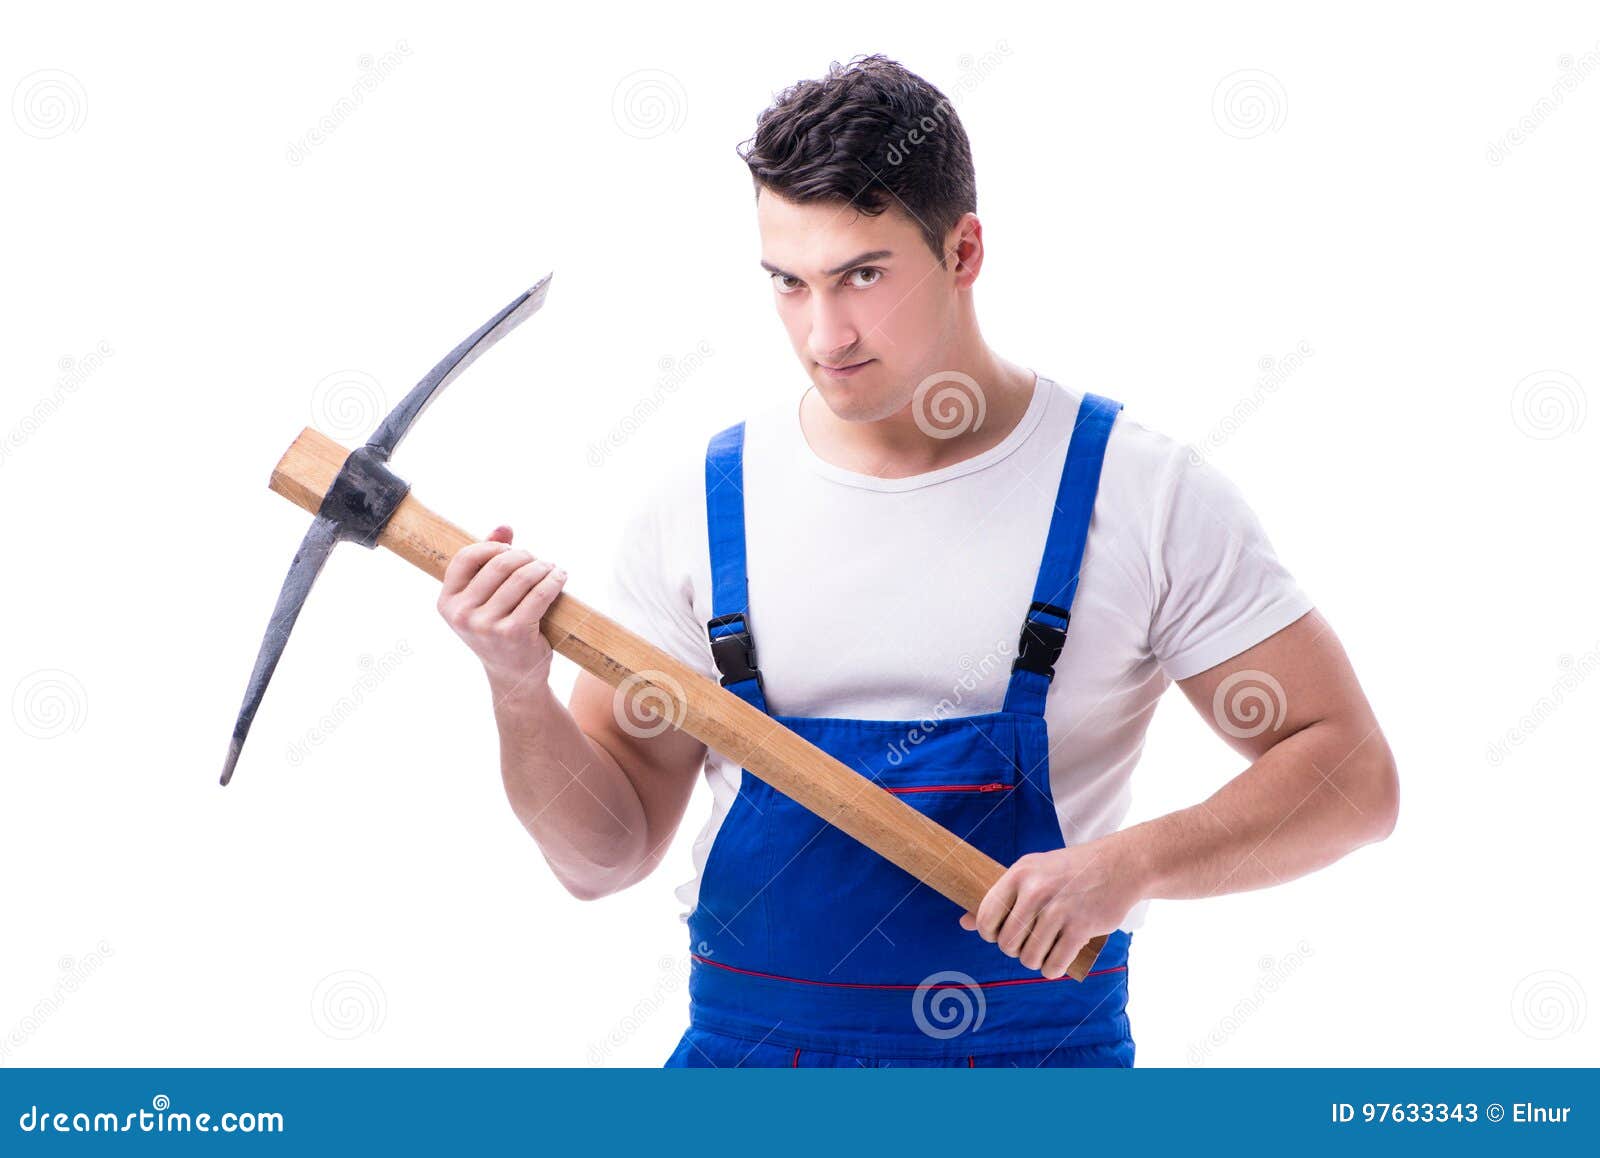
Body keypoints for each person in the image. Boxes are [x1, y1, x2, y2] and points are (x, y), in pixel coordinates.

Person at [436, 55, 1399, 1068]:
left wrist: (1128, 867)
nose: (825, 333)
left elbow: (1350, 778)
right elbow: (605, 856)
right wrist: (517, 689)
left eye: (862, 274)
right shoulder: (697, 511)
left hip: (1032, 1074)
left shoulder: (1138, 493)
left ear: (963, 249)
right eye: (789, 283)